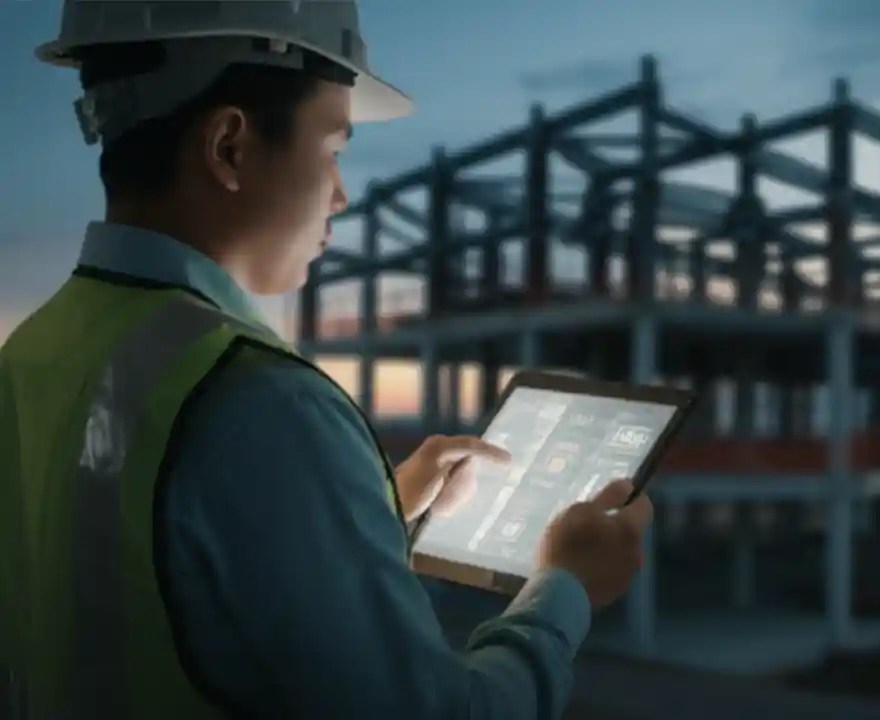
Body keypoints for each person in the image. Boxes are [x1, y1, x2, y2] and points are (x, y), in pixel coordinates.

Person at [0, 1, 653, 718]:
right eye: (334, 150)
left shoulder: (36, 352)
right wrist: (565, 588)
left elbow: (133, 564)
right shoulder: (261, 401)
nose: (341, 195)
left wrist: (371, 512)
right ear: (229, 147)